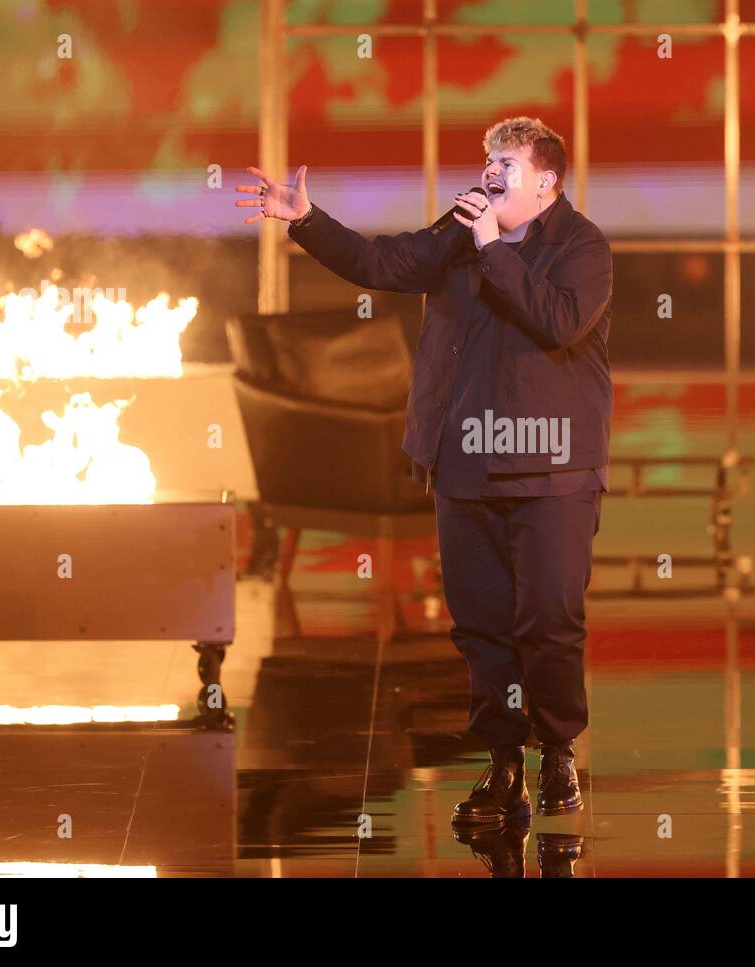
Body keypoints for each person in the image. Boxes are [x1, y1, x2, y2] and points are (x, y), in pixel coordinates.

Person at [237, 116, 613, 827]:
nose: (490, 171)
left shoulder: (581, 247)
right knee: (480, 624)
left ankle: (558, 747)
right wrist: (307, 220)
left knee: (549, 620)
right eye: (487, 159)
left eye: (505, 161)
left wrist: (492, 250)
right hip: (465, 462)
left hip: (552, 469)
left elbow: (556, 321)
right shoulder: (463, 226)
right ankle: (503, 761)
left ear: (548, 182)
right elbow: (385, 265)